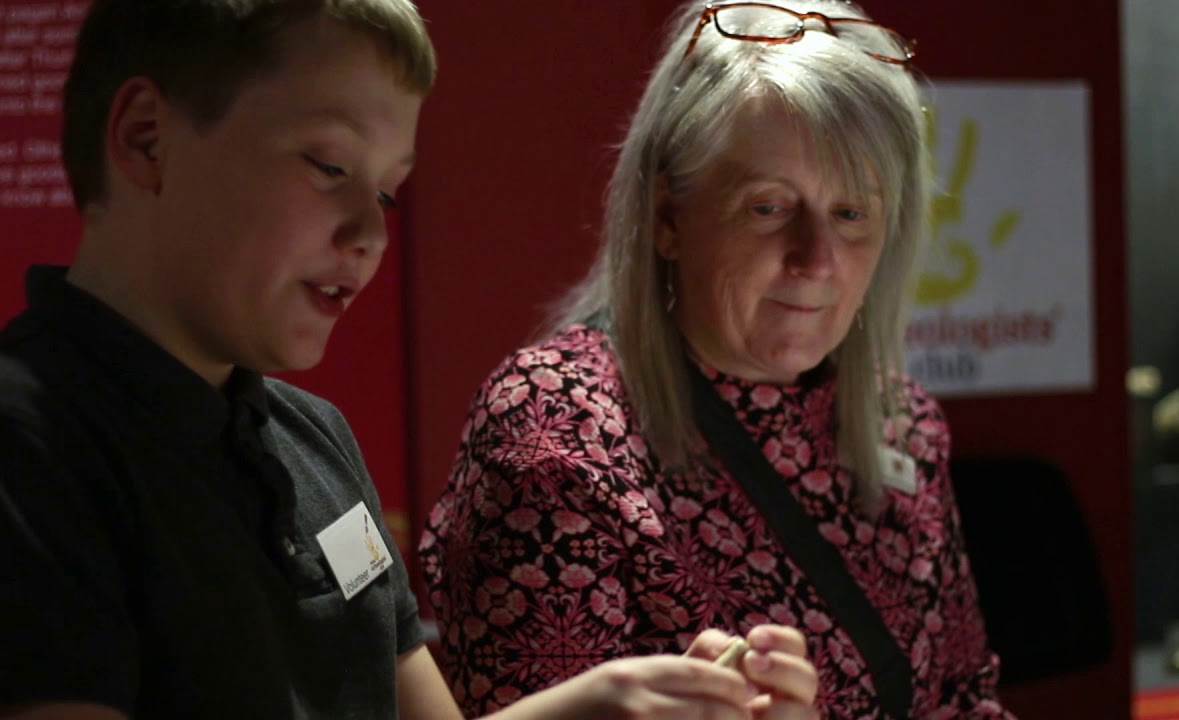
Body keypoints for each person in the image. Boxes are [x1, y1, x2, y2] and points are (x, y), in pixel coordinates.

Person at [0, 1, 818, 718]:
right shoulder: (31, 442)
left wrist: (626, 708)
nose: (372, 232)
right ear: (147, 139)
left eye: (387, 190)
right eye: (328, 167)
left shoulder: (314, 439)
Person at [420, 1, 1015, 718]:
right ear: (669, 217)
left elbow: (963, 701)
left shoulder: (903, 424)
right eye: (769, 207)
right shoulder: (556, 425)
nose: (817, 260)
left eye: (852, 214)